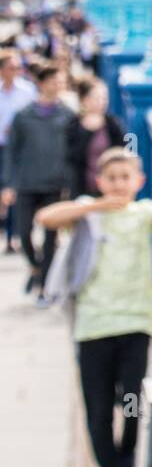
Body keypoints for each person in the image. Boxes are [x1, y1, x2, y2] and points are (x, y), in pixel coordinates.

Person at [37, 150, 152, 467]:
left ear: (139, 181)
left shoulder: (144, 213)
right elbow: (45, 218)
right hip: (93, 327)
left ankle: (127, 462)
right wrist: (93, 207)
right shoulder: (88, 213)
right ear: (100, 181)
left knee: (132, 402)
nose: (118, 184)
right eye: (111, 177)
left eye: (125, 177)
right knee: (98, 412)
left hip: (135, 324)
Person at [0, 64, 75, 300]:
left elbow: (74, 153)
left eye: (61, 82)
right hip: (26, 181)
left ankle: (43, 284)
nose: (58, 86)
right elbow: (12, 151)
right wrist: (8, 183)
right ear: (41, 84)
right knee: (23, 233)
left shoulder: (68, 115)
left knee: (51, 237)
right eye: (54, 81)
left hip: (54, 183)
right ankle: (35, 267)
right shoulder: (23, 116)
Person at [0, 50, 37, 253]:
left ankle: (12, 235)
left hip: (18, 149)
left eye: (18, 68)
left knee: (12, 189)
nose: (16, 71)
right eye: (11, 68)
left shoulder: (27, 91)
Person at [67, 79, 125, 198]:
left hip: (110, 191)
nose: (101, 102)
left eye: (104, 98)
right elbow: (69, 158)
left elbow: (129, 147)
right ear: (84, 100)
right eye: (96, 98)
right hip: (81, 190)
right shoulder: (72, 126)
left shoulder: (113, 124)